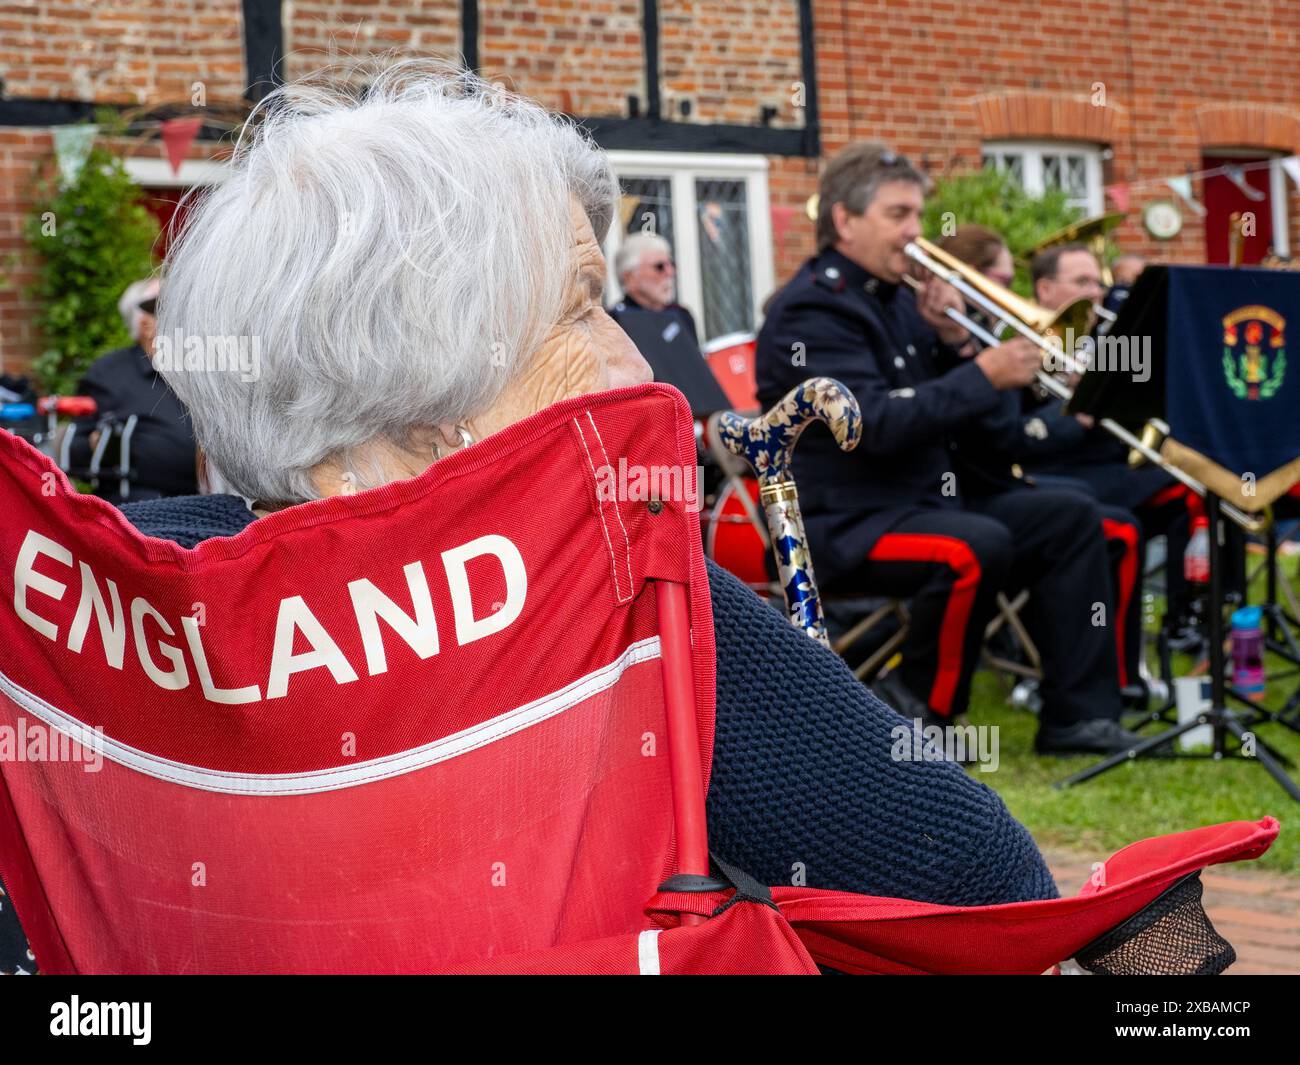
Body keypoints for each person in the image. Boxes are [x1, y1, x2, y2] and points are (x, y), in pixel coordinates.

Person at [0, 64, 1057, 975]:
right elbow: (989, 893)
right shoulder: (611, 601)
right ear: (422, 383)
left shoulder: (98, 607)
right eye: (580, 308)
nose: (636, 363)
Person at [755, 143, 1142, 755]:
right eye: (898, 214)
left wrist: (957, 342)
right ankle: (914, 716)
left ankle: (1077, 718)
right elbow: (869, 423)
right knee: (971, 548)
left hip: (921, 501)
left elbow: (955, 416)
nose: (915, 233)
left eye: (916, 215)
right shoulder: (813, 309)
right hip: (849, 518)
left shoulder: (904, 303)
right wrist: (981, 372)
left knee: (1069, 519)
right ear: (845, 221)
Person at [937, 225, 1146, 695]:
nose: (1096, 293)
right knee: (1106, 522)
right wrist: (1078, 410)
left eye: (1099, 282)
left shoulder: (999, 341)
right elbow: (1014, 436)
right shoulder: (988, 344)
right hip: (1021, 479)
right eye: (998, 281)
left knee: (1154, 504)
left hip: (1032, 478)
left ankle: (1112, 679)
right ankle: (1105, 684)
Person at [68, 278, 199, 505]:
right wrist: (98, 443)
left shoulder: (198, 368)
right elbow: (73, 448)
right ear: (146, 323)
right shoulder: (109, 373)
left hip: (206, 500)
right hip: (139, 505)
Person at [608, 231, 699, 346]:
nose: (670, 272)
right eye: (659, 267)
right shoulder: (615, 322)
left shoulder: (680, 315)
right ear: (629, 278)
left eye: (671, 264)